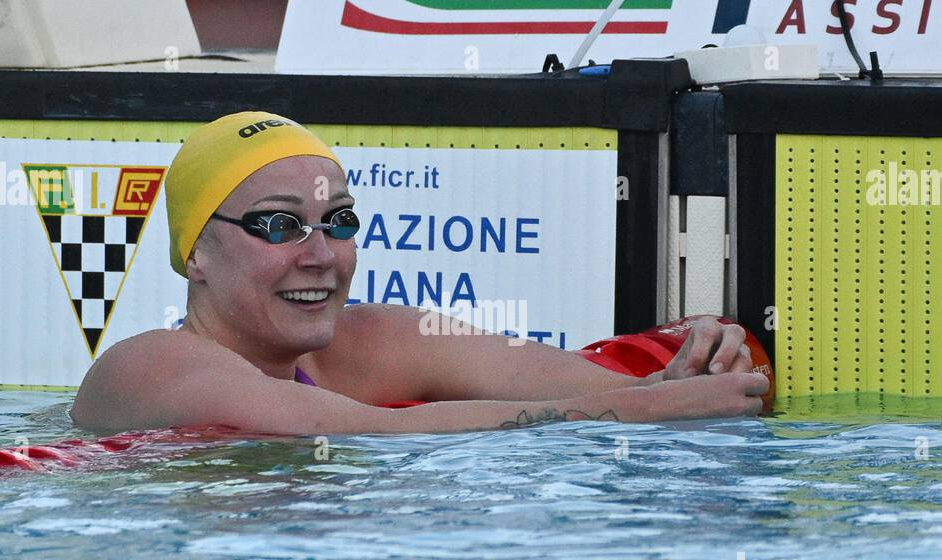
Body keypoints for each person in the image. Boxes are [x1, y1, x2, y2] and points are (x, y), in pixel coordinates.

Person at [70, 112, 768, 434]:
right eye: (279, 226)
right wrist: (648, 410)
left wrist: (698, 361)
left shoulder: (368, 340)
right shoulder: (149, 368)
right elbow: (357, 432)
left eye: (338, 221)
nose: (319, 254)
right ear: (194, 253)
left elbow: (624, 389)